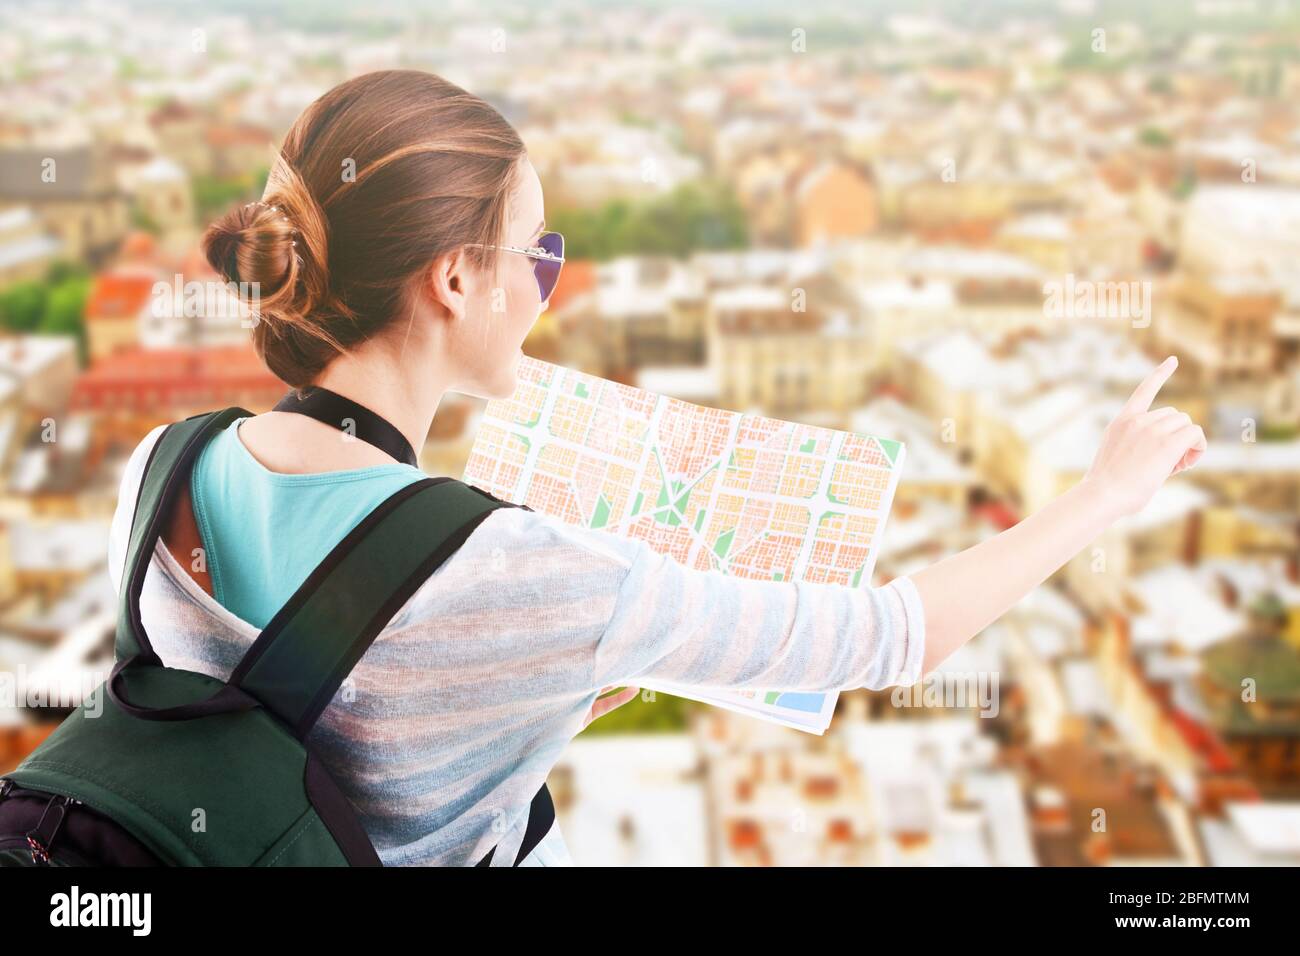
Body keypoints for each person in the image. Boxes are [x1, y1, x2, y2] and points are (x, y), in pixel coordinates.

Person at [106, 69, 1206, 867]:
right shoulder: (526, 568)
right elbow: (894, 636)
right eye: (537, 250)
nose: (546, 284)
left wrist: (522, 701)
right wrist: (1101, 495)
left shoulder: (161, 469)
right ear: (455, 280)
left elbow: (297, 731)